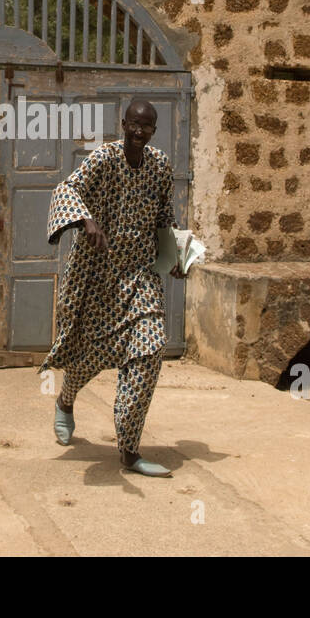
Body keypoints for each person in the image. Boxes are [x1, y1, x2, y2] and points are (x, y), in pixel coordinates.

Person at [40, 99, 185, 477]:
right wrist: (86, 220)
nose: (139, 132)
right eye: (134, 124)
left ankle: (129, 449)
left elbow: (165, 217)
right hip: (99, 276)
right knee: (91, 355)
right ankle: (67, 401)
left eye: (147, 126)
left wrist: (176, 259)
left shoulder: (160, 165)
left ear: (154, 129)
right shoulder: (103, 159)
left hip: (140, 276)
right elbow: (67, 190)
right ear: (123, 124)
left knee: (149, 350)